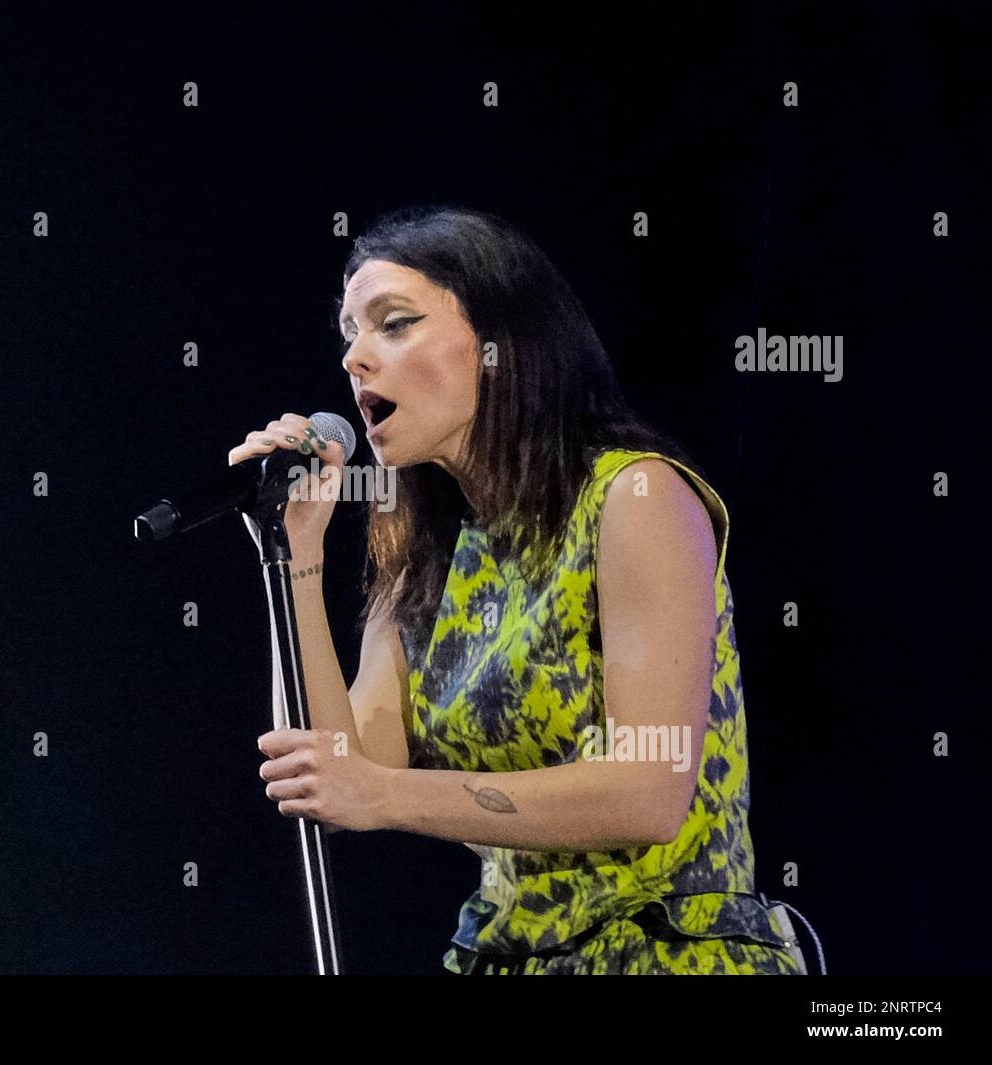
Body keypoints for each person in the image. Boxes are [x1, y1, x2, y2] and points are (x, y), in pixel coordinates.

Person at [227, 206, 807, 975]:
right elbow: (336, 769)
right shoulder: (422, 553)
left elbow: (649, 791)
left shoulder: (636, 497)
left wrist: (386, 795)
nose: (354, 359)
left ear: (504, 344)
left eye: (393, 323)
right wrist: (294, 555)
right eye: (347, 333)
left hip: (665, 953)